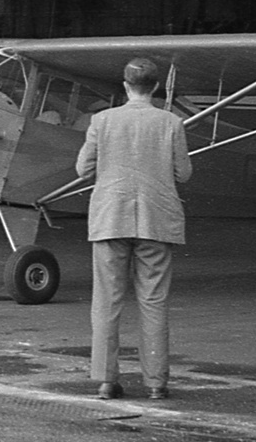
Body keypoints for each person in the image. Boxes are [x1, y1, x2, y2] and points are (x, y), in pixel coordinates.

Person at [74, 56, 192, 401]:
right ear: (155, 87)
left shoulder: (102, 120)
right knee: (154, 300)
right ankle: (156, 383)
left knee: (107, 302)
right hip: (157, 219)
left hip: (110, 217)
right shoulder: (172, 123)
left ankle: (106, 381)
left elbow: (83, 169)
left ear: (125, 86)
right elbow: (183, 174)